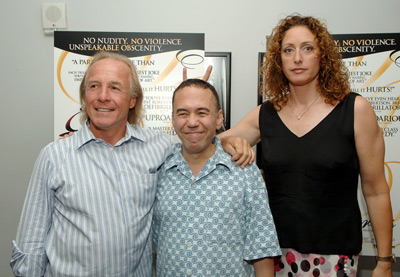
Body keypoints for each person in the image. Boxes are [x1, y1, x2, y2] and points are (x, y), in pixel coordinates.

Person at [10, 51, 252, 276]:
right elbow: (30, 246)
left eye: (115, 88)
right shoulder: (55, 157)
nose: (103, 96)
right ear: (85, 96)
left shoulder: (159, 148)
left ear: (133, 100)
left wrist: (229, 141)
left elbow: (197, 143)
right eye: (94, 86)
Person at [219, 15, 394, 277]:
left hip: (335, 257)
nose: (297, 58)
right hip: (273, 255)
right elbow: (214, 144)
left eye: (307, 48)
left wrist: (384, 261)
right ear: (279, 60)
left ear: (322, 55)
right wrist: (229, 138)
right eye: (288, 50)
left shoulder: (355, 110)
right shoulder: (266, 114)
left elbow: (376, 190)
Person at [152, 79, 281, 276]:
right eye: (183, 113)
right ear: (173, 118)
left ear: (219, 118)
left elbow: (262, 249)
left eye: (202, 112)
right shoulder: (160, 173)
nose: (192, 122)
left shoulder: (244, 171)